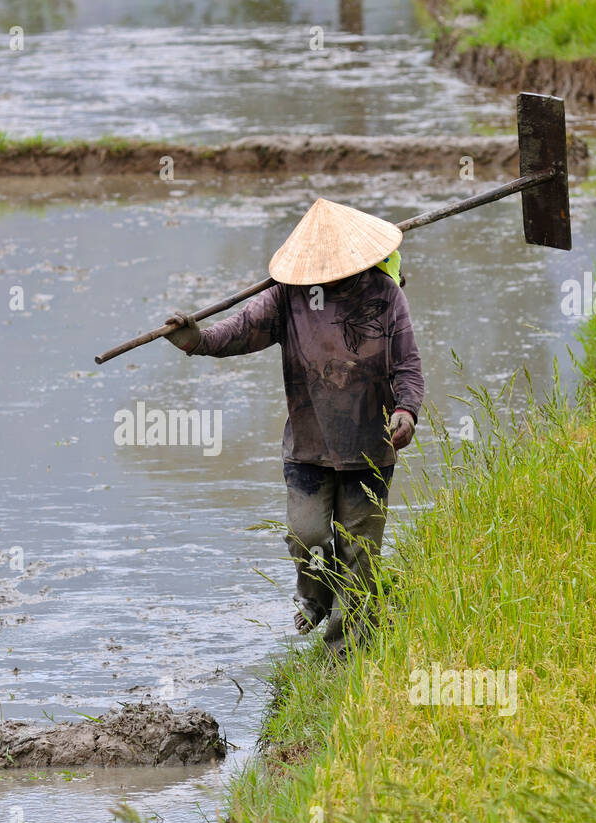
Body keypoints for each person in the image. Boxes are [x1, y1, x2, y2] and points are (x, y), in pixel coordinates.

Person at [164, 198, 425, 657]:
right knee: (306, 537)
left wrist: (406, 410)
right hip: (309, 445)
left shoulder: (386, 295)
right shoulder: (289, 295)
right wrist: (198, 340)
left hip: (370, 446)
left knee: (359, 551)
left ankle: (345, 652)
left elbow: (407, 364)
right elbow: (241, 330)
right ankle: (316, 595)